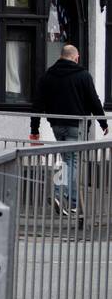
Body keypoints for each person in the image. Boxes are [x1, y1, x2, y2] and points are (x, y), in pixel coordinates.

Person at [30, 44, 108, 215]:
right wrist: (103, 123)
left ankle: (73, 203)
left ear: (61, 56)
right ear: (76, 57)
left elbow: (37, 105)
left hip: (57, 125)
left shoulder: (47, 76)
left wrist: (34, 129)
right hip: (76, 126)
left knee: (66, 160)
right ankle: (59, 193)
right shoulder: (83, 75)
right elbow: (94, 100)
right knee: (71, 161)